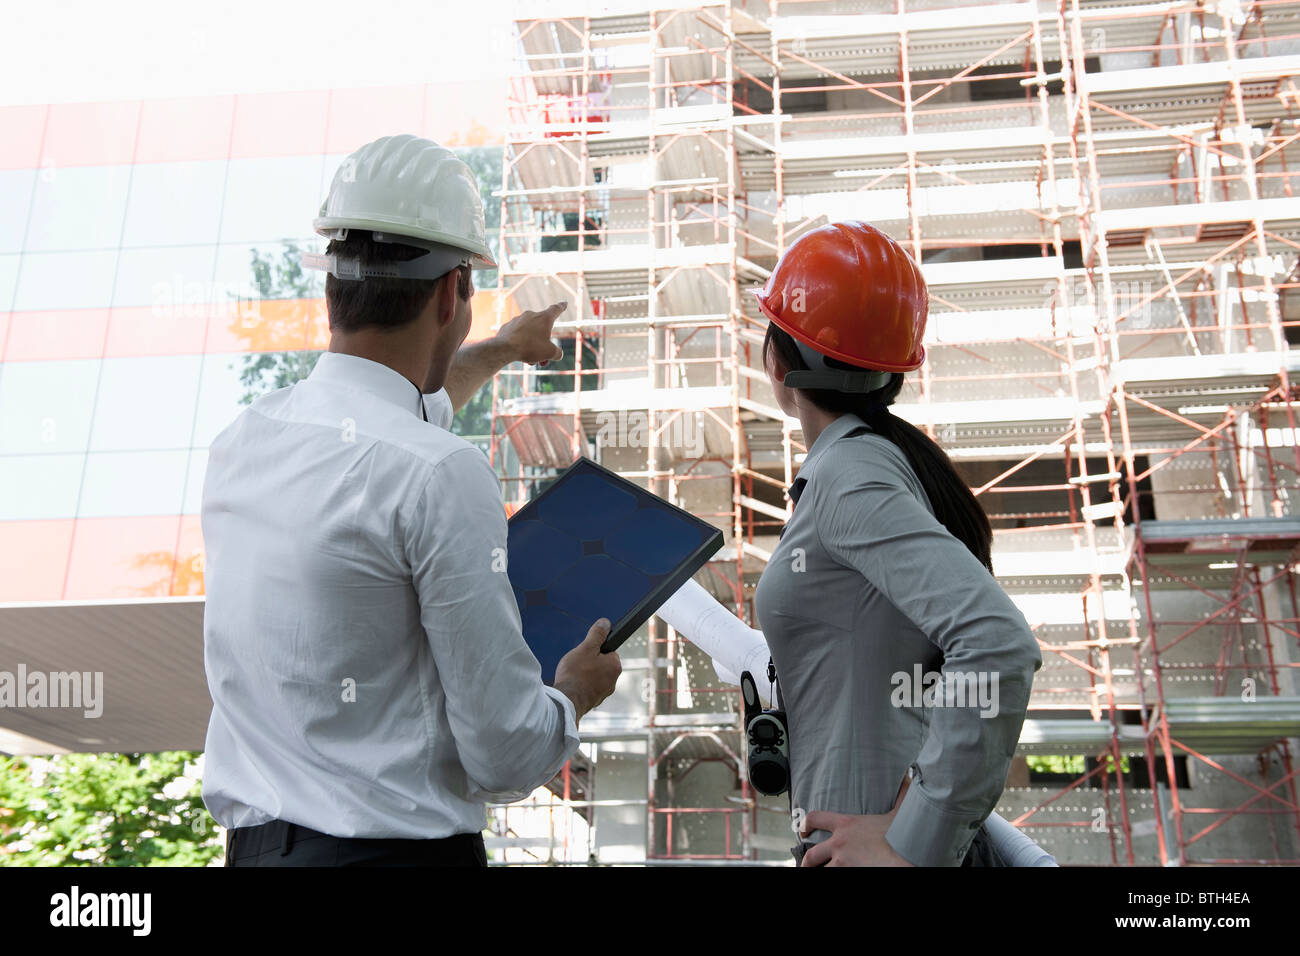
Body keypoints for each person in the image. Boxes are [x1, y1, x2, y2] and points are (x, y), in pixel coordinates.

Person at [201, 134, 622, 867]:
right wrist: (571, 697)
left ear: (331, 284)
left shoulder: (245, 443)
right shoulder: (438, 474)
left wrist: (500, 348)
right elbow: (504, 752)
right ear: (454, 290)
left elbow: (388, 423)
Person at [749, 221, 1044, 866]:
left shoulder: (850, 474)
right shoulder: (877, 463)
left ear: (777, 359)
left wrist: (913, 845)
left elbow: (998, 644)